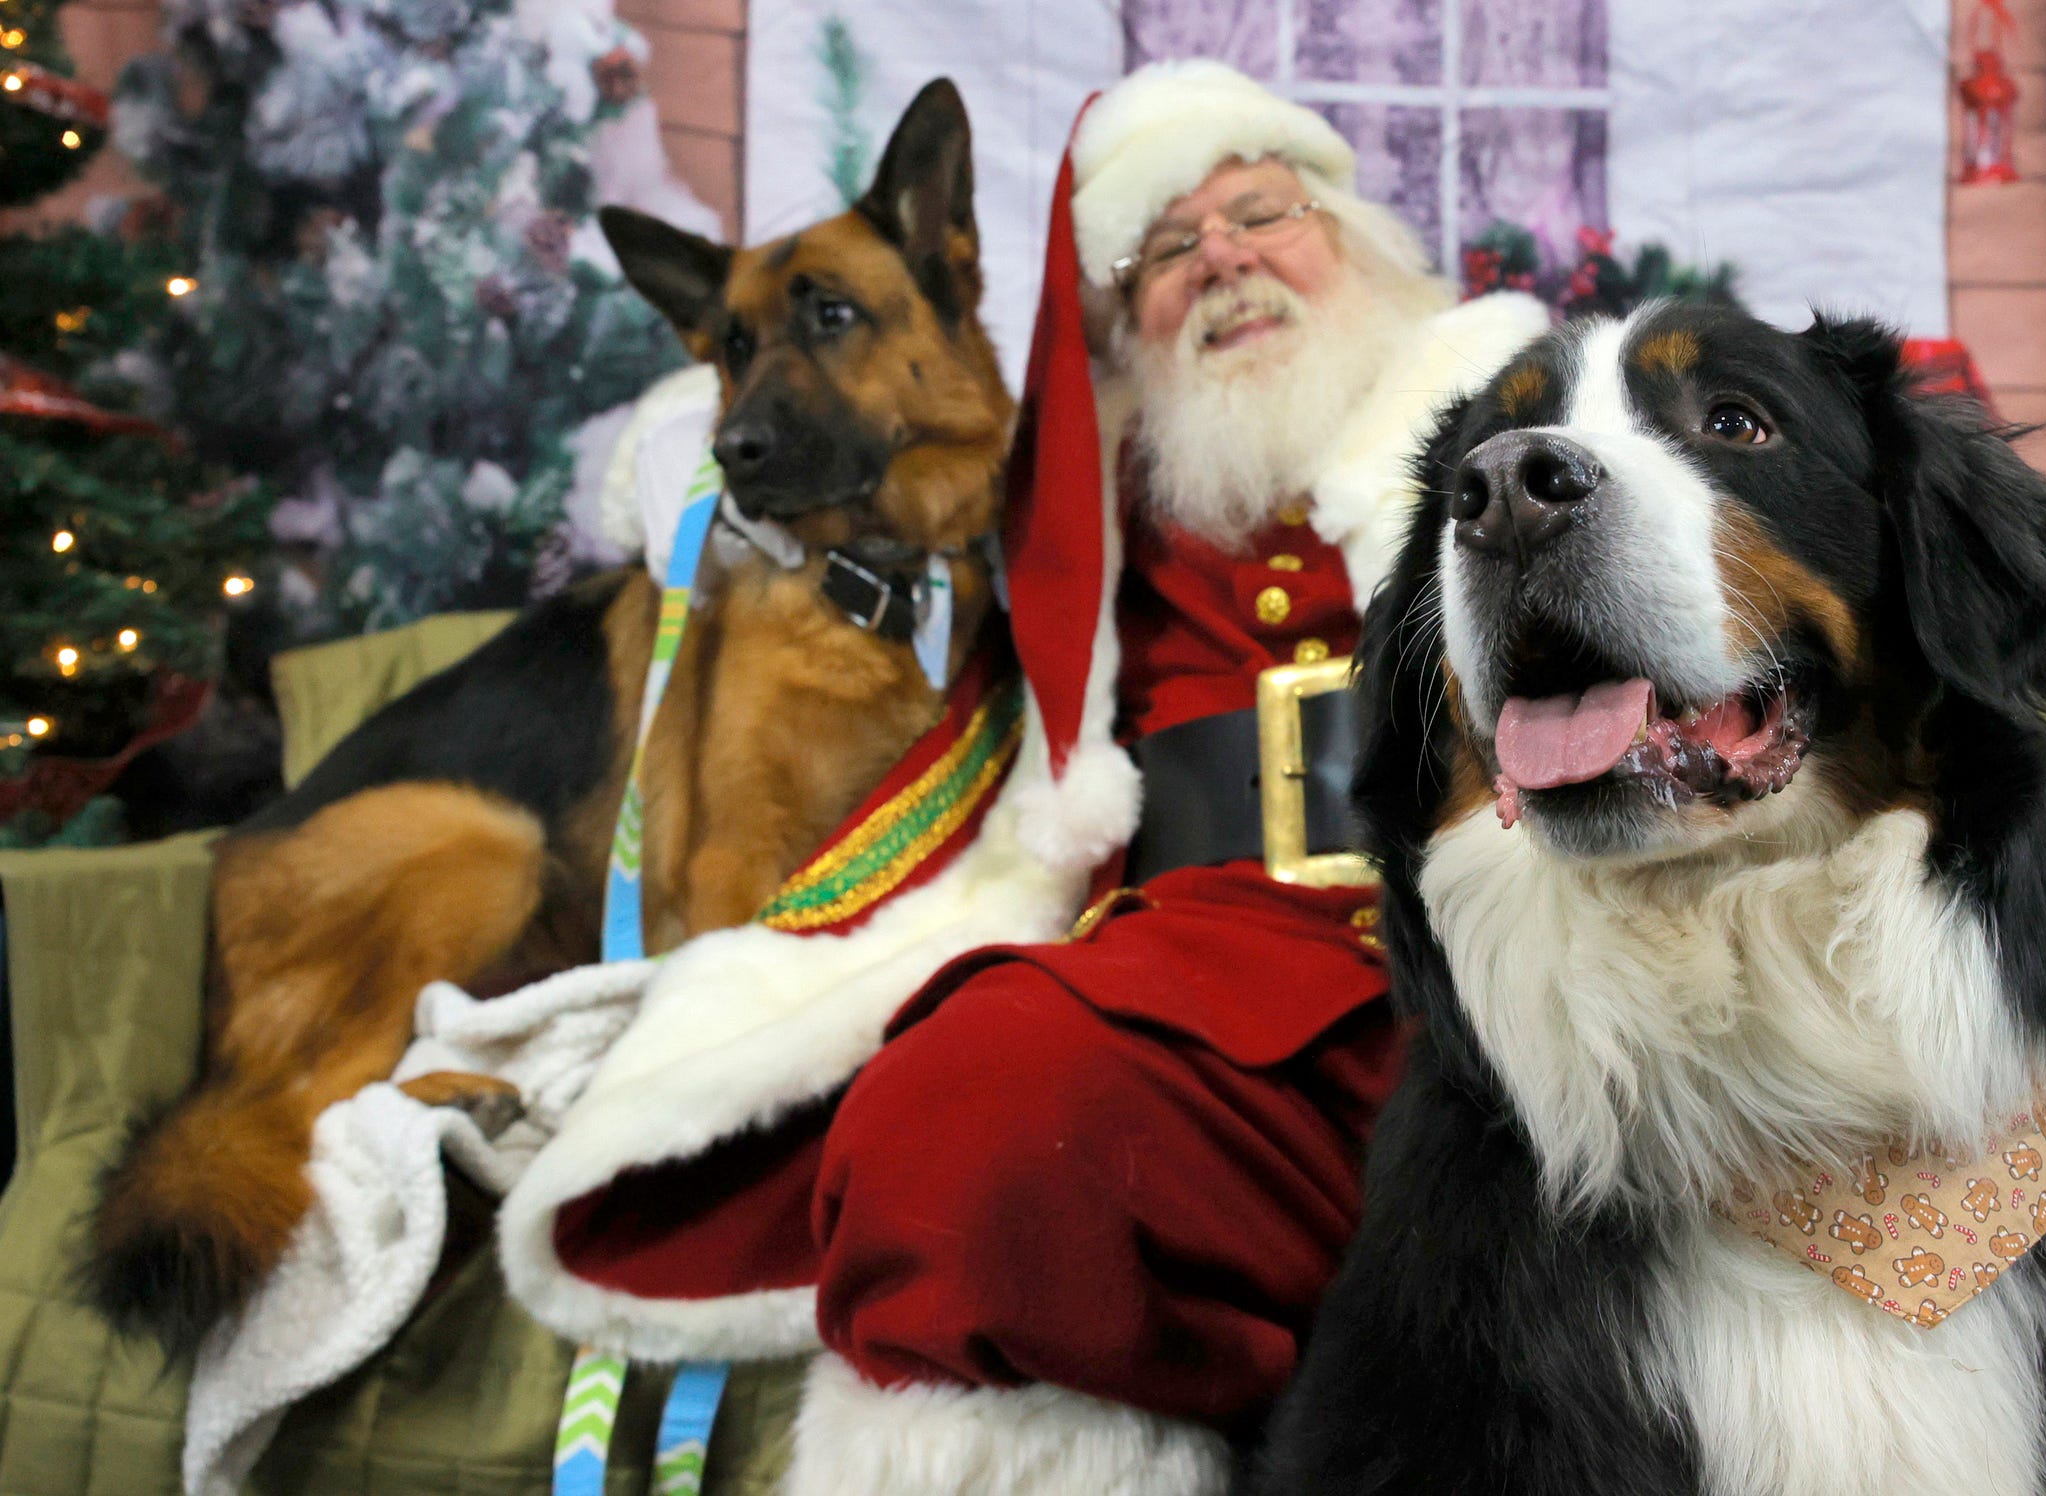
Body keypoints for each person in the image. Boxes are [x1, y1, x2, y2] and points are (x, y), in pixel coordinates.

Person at [498, 59, 1550, 1496]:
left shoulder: (1541, 427)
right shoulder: (1101, 508)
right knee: (961, 1116)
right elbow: (897, 529)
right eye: (1170, 250)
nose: (1226, 259)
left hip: (1516, 983)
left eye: (1261, 212)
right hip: (1207, 1003)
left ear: (1357, 240)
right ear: (1125, 324)